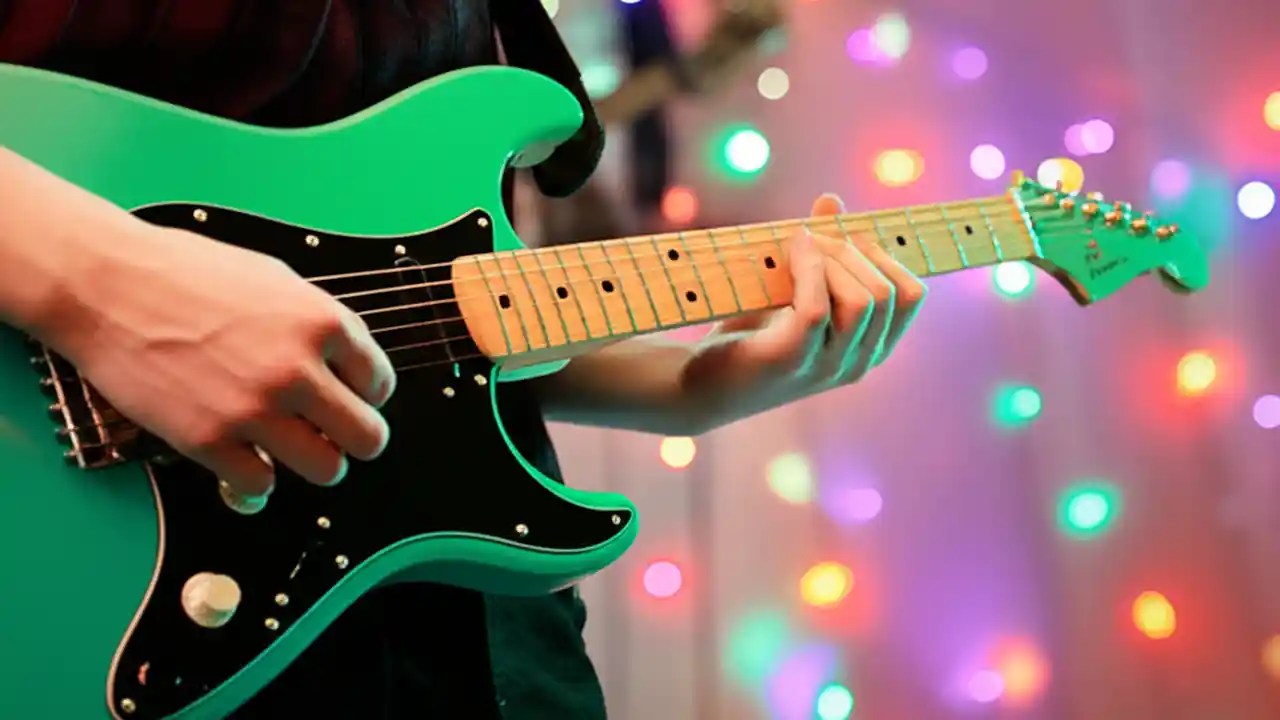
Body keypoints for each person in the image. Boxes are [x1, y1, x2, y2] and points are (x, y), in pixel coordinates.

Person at [0, 2, 926, 718]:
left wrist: (690, 385)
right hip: (90, 578)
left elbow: (425, 296)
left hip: (473, 630)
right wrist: (96, 287)